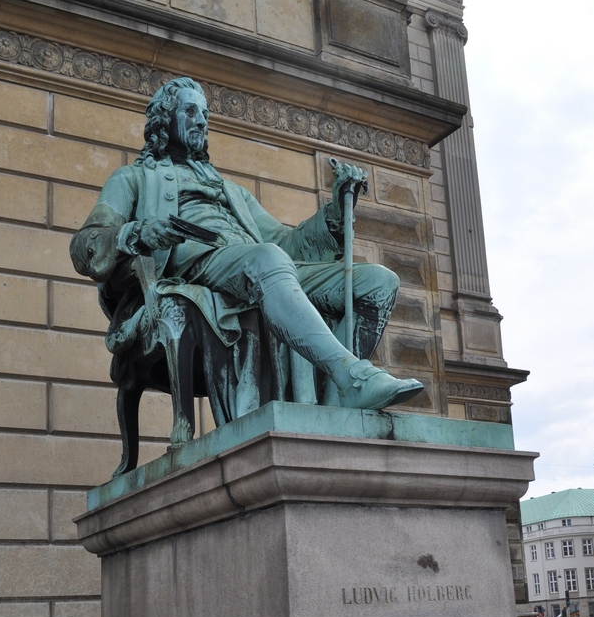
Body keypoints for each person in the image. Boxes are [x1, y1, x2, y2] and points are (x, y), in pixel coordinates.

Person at [71, 77, 423, 412]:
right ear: (166, 118)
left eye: (205, 115)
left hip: (259, 265)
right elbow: (85, 244)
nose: (201, 122)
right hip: (198, 268)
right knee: (266, 258)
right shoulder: (133, 178)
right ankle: (353, 374)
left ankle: (337, 401)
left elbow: (288, 243)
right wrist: (137, 233)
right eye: (190, 112)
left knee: (379, 282)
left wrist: (334, 209)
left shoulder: (231, 191)